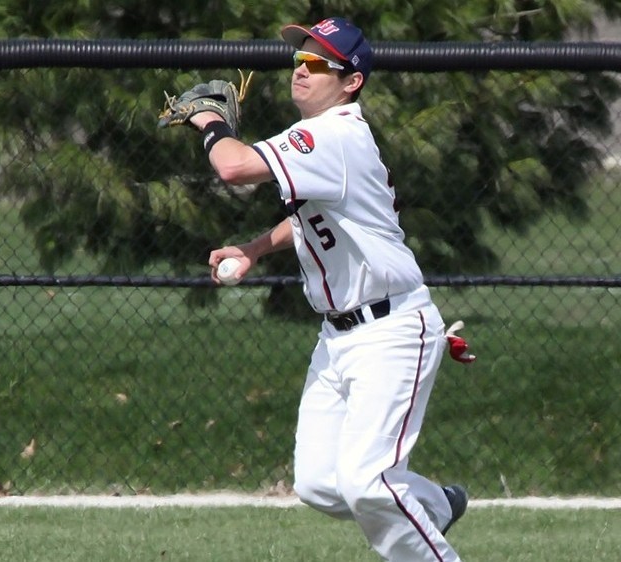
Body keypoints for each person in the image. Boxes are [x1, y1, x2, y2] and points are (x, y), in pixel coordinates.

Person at [189, 16, 469, 562]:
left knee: (367, 483)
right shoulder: (322, 144)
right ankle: (434, 506)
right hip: (338, 337)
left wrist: (209, 123)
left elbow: (234, 167)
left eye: (318, 62)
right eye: (299, 58)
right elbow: (312, 220)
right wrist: (252, 249)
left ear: (351, 81)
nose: (302, 69)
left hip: (390, 332)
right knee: (321, 484)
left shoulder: (332, 134)